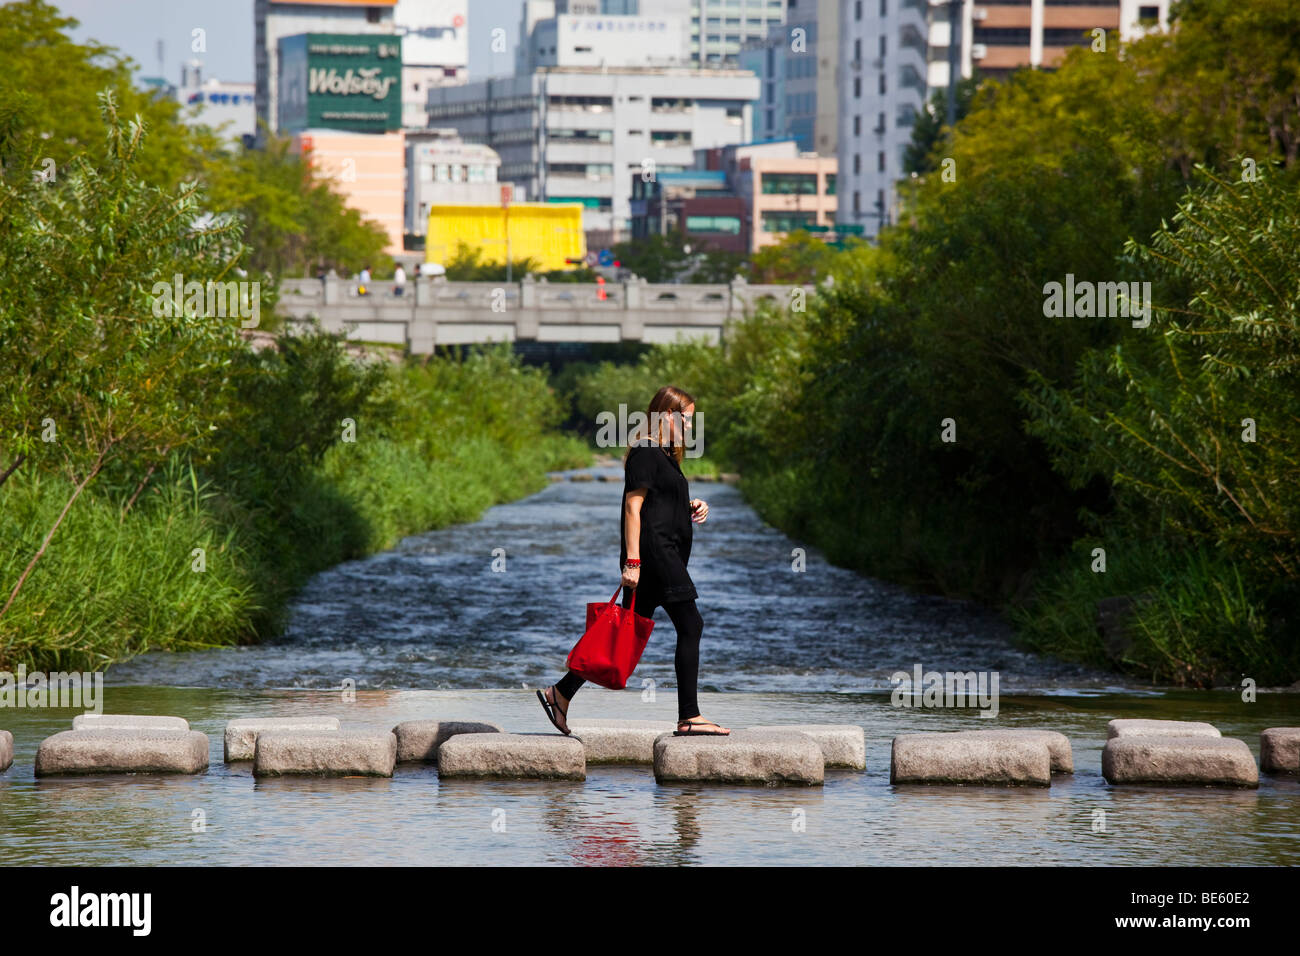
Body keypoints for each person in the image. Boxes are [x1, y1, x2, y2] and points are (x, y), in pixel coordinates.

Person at [538, 386, 728, 736]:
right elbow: (632, 507)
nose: (689, 427)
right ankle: (689, 716)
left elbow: (659, 505)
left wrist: (690, 505)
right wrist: (634, 562)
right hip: (655, 557)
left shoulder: (664, 455)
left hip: (661, 555)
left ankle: (560, 693)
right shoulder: (645, 451)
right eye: (686, 419)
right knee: (691, 625)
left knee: (620, 636)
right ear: (668, 416)